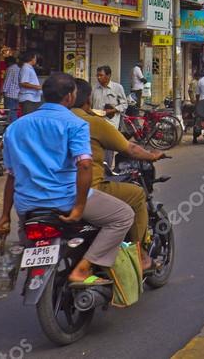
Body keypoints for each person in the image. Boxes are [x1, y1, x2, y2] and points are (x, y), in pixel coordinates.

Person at [0, 73, 134, 286]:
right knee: (123, 216)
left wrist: (5, 215)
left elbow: (12, 176)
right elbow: (85, 165)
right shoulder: (74, 124)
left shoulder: (14, 128)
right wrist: (79, 206)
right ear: (70, 97)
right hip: (65, 200)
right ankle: (83, 268)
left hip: (27, 208)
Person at [71, 78, 161, 271]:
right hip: (84, 192)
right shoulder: (90, 123)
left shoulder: (39, 123)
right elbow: (130, 148)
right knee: (135, 197)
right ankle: (140, 256)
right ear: (87, 99)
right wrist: (152, 156)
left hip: (42, 196)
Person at [17, 50, 42, 116]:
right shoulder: (26, 68)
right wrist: (37, 87)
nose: (36, 60)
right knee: (29, 117)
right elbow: (23, 83)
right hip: (28, 98)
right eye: (35, 58)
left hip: (33, 97)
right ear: (31, 59)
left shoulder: (30, 68)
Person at [1, 56, 20, 123]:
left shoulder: (10, 69)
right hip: (17, 95)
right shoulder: (19, 69)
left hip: (9, 95)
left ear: (9, 62)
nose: (6, 64)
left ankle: (12, 128)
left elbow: (7, 82)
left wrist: (2, 92)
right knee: (14, 112)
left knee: (10, 114)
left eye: (6, 63)